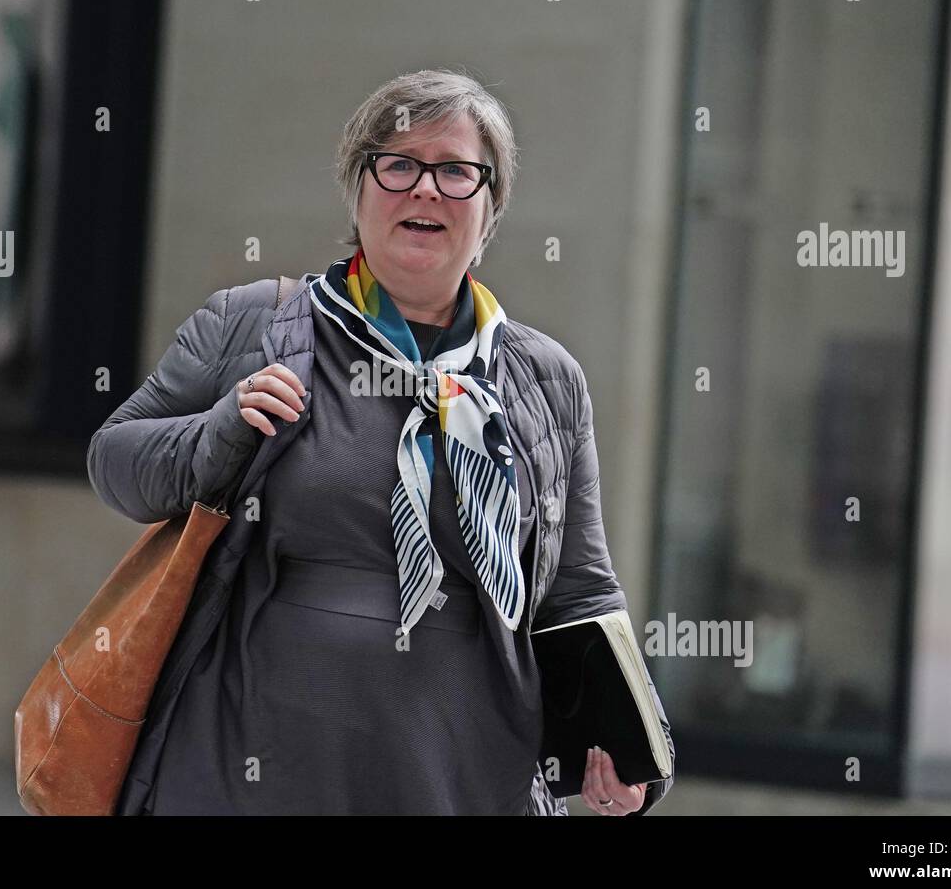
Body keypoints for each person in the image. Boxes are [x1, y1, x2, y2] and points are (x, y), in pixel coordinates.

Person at [87, 68, 674, 815]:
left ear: (490, 211)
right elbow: (116, 465)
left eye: (457, 171)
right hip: (253, 767)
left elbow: (580, 589)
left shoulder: (544, 379)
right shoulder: (254, 326)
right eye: (397, 165)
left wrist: (632, 752)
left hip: (462, 774)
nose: (425, 189)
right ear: (356, 190)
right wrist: (219, 431)